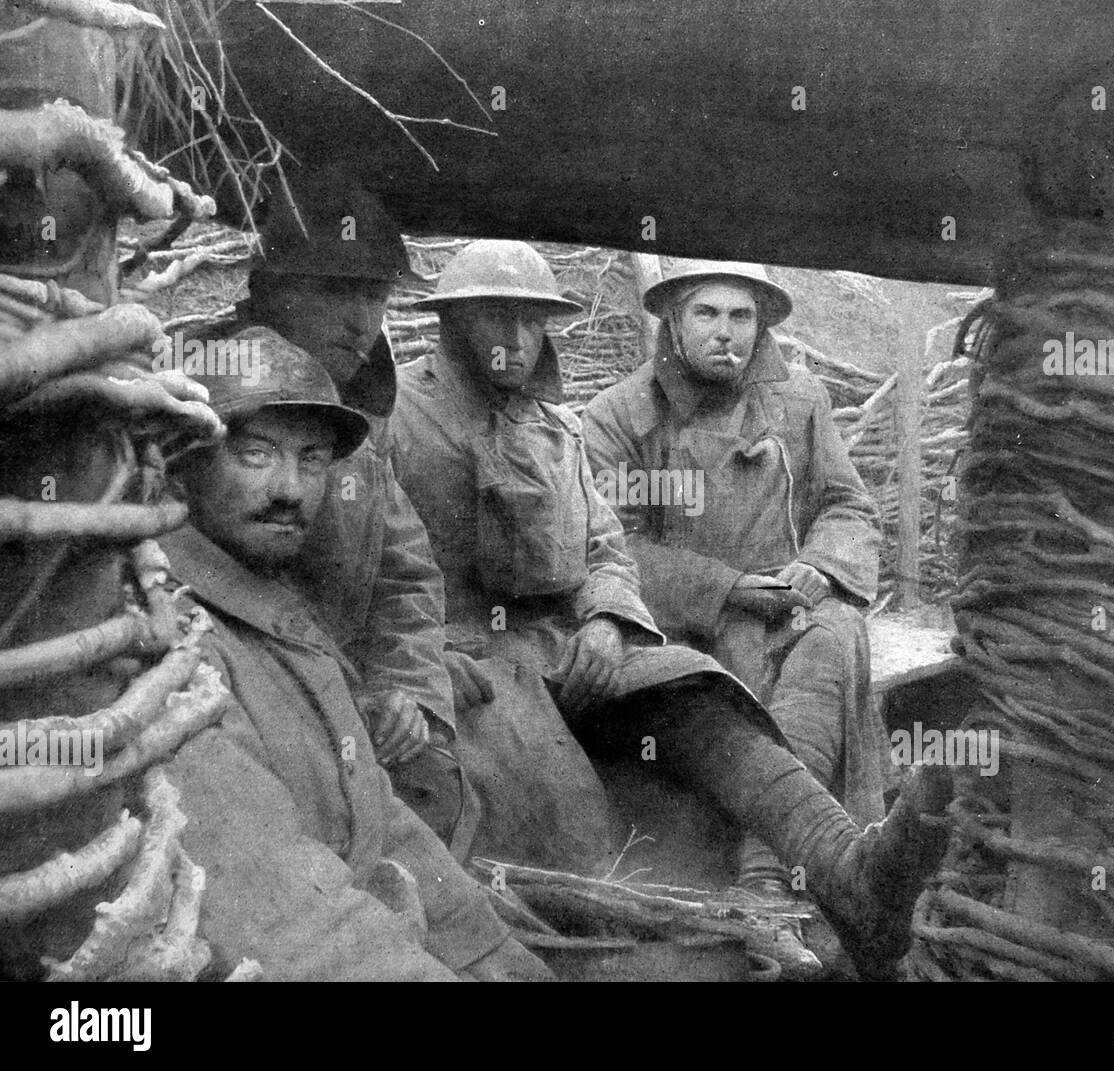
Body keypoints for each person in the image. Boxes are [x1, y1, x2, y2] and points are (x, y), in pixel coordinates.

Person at [388, 239, 951, 979]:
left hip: (567, 643)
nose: (518, 342)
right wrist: (420, 657)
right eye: (498, 319)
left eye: (533, 323)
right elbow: (376, 569)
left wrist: (607, 619)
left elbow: (605, 545)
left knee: (696, 691)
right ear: (452, 323)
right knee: (542, 806)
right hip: (466, 655)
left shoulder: (553, 429)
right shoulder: (398, 416)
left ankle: (848, 871)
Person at [159, 326, 551, 980]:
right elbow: (284, 919)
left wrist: (497, 956)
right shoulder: (169, 646)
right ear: (186, 461)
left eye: (312, 460)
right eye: (256, 453)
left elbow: (379, 817)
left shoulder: (272, 614)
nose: (291, 488)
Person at [582, 260, 889, 968]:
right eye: (708, 315)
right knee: (739, 671)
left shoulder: (799, 401)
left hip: (790, 608)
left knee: (835, 636)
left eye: (742, 317)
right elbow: (613, 546)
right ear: (674, 323)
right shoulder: (619, 417)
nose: (728, 334)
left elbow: (849, 505)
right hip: (682, 632)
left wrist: (819, 562)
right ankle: (795, 869)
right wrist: (725, 588)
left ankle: (765, 875)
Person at [219, 172, 489, 848]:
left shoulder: (359, 417)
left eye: (374, 295)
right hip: (233, 684)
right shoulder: (198, 389)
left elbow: (405, 576)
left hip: (343, 686)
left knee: (435, 787)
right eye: (337, 289)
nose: (361, 320)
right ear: (270, 287)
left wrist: (406, 688)